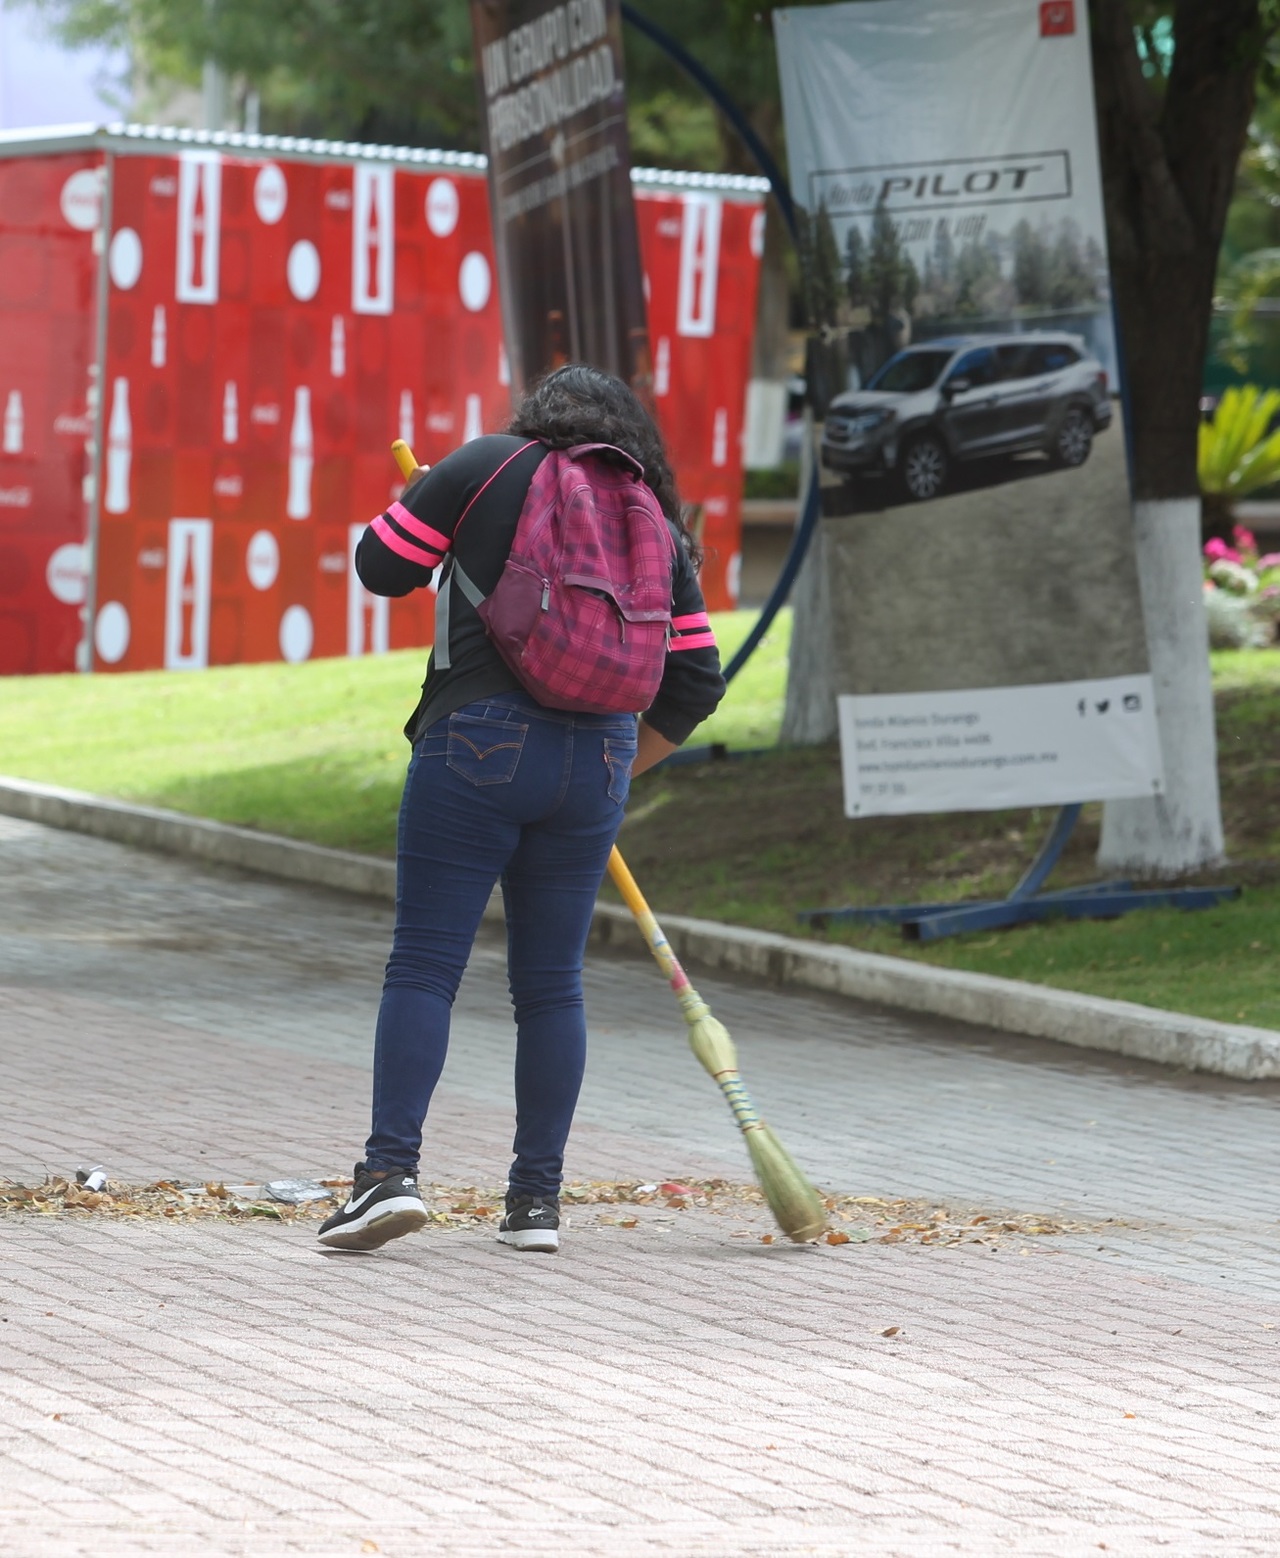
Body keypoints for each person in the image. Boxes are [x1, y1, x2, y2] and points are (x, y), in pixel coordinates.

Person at [318, 364, 726, 1254]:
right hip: (600, 761)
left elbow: (381, 567)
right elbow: (697, 679)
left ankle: (388, 1177)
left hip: (478, 739)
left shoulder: (489, 466)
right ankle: (535, 1204)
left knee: (426, 965)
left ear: (535, 414)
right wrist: (618, 778)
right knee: (550, 987)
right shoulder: (651, 515)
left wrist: (427, 498)